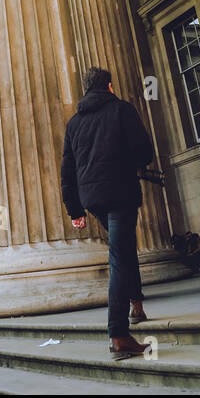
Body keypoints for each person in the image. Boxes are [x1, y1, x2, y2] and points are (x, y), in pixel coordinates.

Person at [61, 66, 156, 360]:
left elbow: (67, 170)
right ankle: (119, 334)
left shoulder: (74, 123)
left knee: (123, 249)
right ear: (110, 86)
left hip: (92, 198)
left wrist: (75, 209)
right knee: (119, 255)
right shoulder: (121, 109)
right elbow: (144, 152)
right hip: (120, 193)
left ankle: (137, 305)